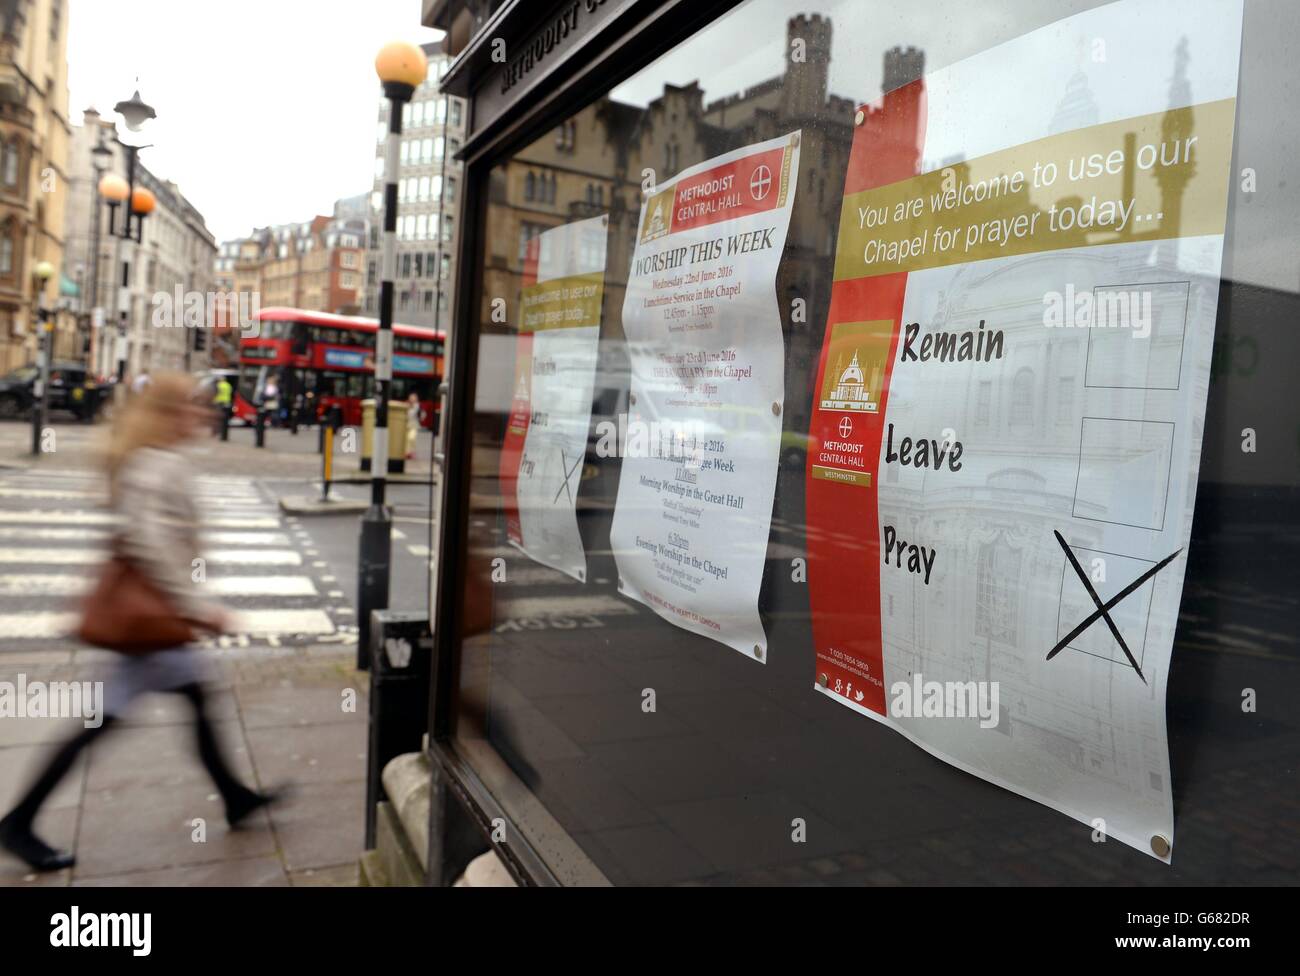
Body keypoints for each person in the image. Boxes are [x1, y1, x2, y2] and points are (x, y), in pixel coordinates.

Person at [0, 372, 279, 872]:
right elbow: (149, 543)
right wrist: (196, 605)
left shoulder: (154, 460)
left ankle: (235, 796)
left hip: (152, 621)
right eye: (194, 407)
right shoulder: (156, 467)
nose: (205, 414)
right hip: (148, 623)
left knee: (195, 699)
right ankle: (18, 822)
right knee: (99, 723)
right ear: (171, 414)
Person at [405, 393, 421, 459]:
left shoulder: (417, 406)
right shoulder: (407, 404)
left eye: (413, 398)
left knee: (412, 437)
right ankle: (407, 453)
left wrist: (410, 407)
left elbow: (412, 414)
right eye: (411, 398)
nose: (412, 399)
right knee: (406, 439)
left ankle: (411, 452)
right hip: (406, 425)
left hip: (414, 425)